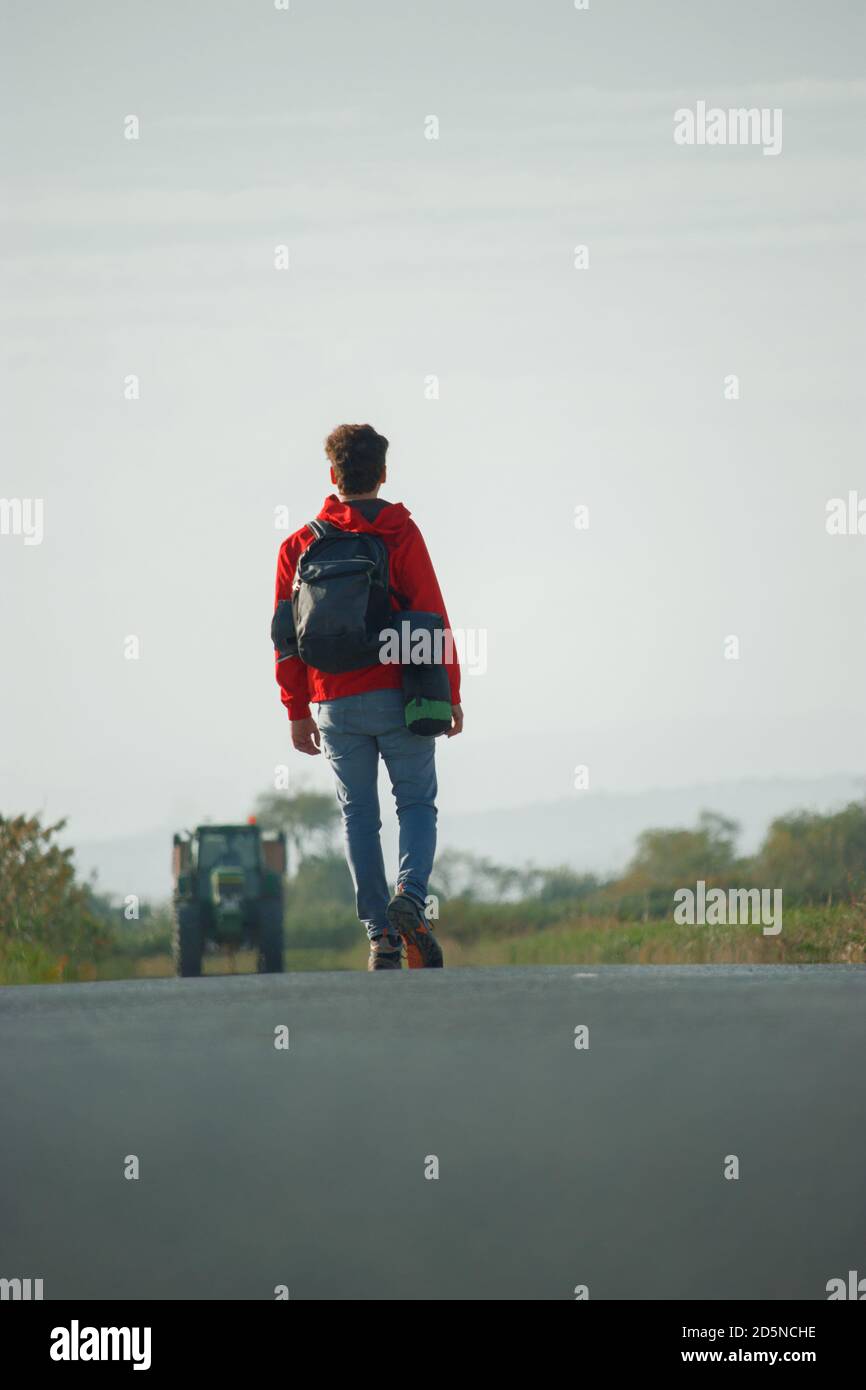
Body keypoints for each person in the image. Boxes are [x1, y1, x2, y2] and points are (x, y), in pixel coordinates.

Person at [274, 423, 462, 971]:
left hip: (332, 702)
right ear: (383, 474)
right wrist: (449, 692)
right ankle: (410, 894)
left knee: (359, 816)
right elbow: (431, 616)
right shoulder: (402, 533)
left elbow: (286, 640)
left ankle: (380, 936)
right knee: (416, 803)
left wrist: (296, 709)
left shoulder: (299, 544)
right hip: (399, 694)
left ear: (333, 476)